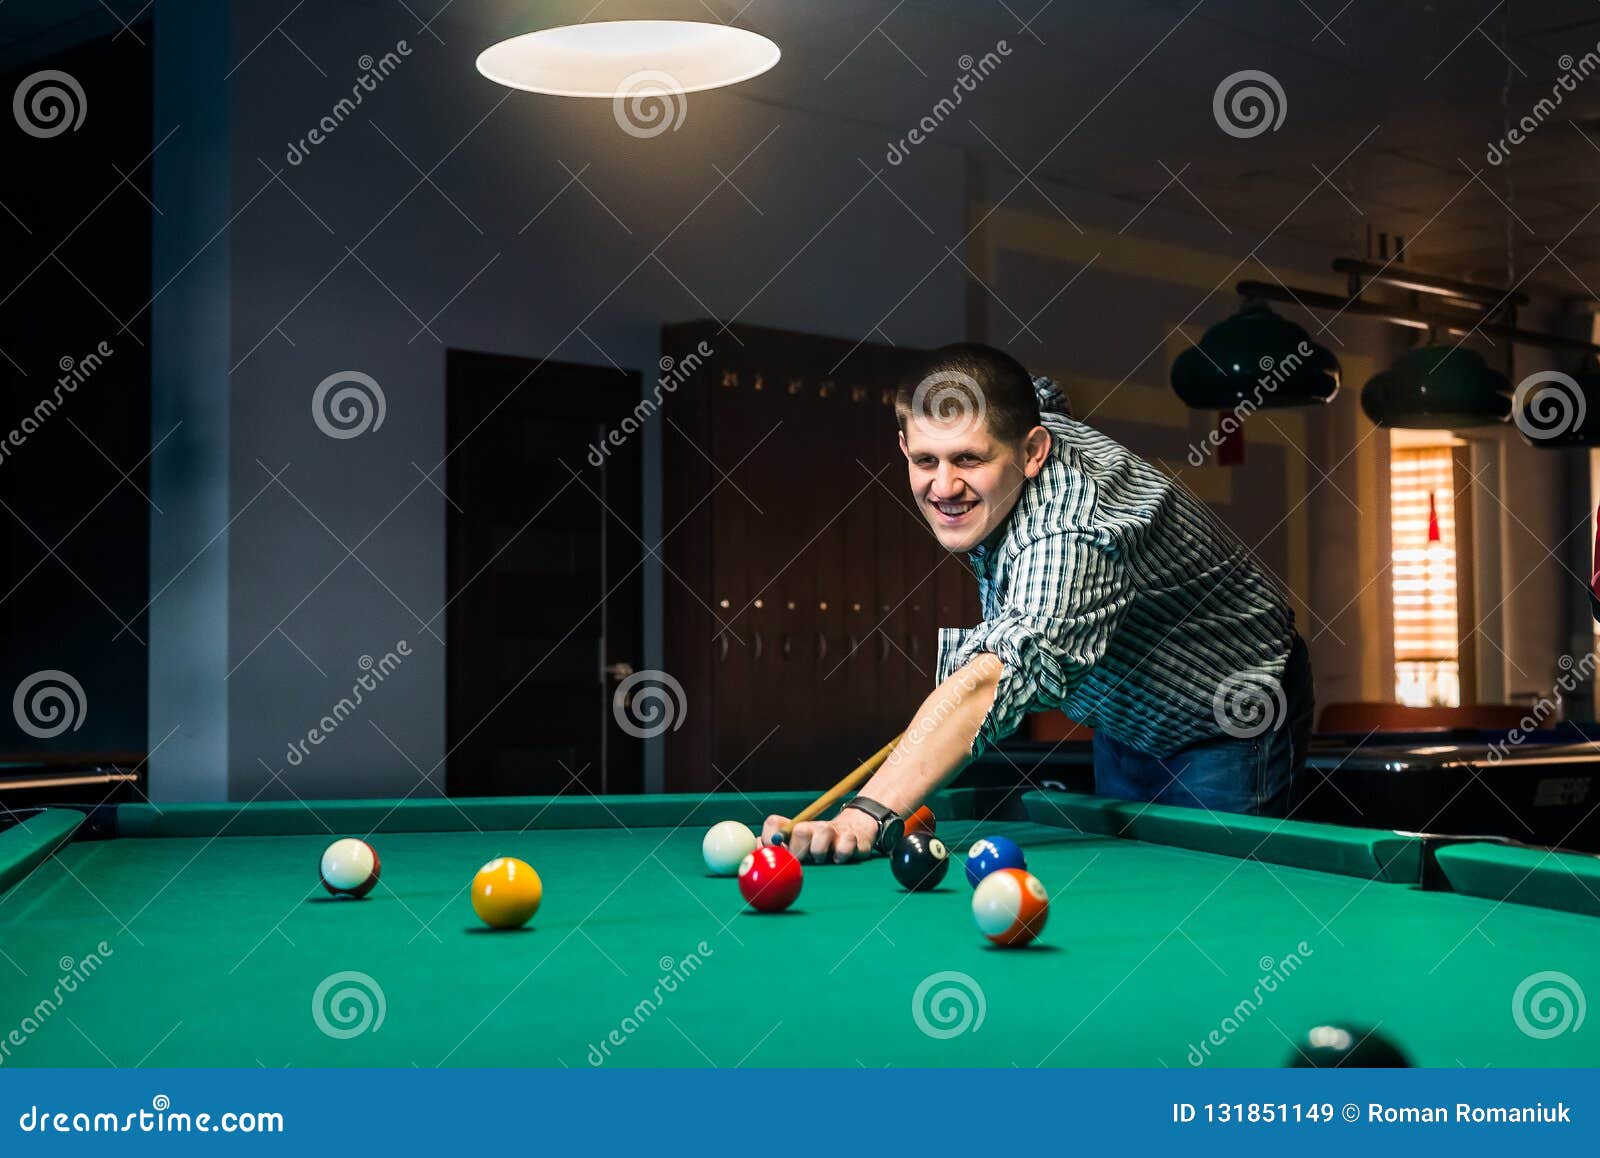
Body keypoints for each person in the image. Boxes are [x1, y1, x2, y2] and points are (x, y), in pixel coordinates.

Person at [761, 342, 1314, 862]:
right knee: (1137, 892)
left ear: (1033, 451)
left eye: (969, 460)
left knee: (1211, 902)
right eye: (925, 460)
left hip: (1230, 709)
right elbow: (1039, 394)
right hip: (1128, 712)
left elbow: (998, 675)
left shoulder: (1072, 529)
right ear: (903, 446)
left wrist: (869, 813)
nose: (944, 487)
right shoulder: (1015, 420)